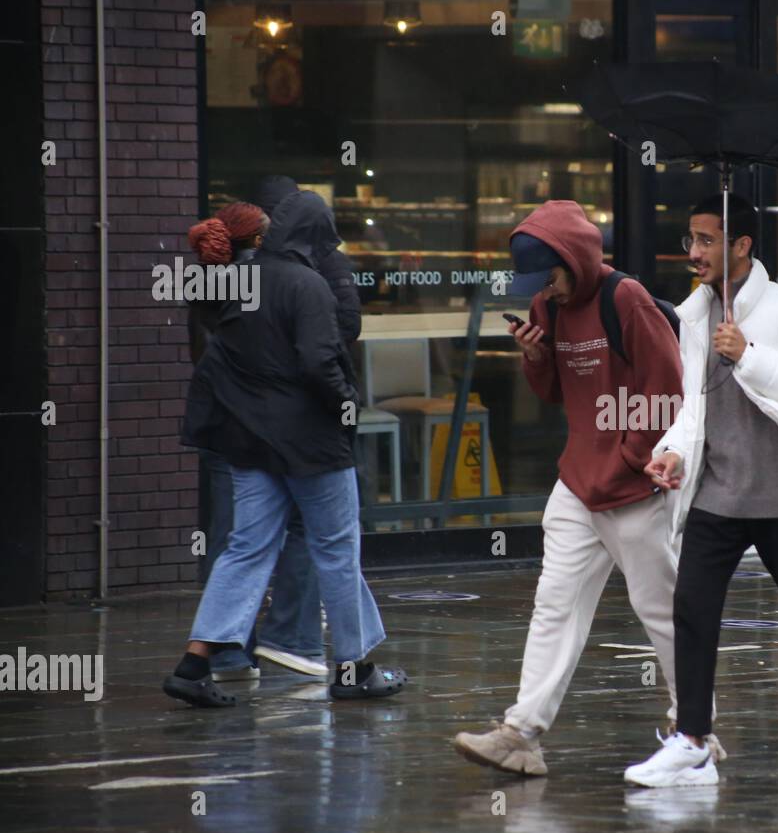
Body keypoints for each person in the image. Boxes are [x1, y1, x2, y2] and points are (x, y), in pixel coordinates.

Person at [453, 200, 723, 776]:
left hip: (636, 483)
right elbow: (555, 392)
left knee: (662, 610)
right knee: (555, 604)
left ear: (573, 259)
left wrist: (632, 456)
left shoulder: (624, 299)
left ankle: (694, 730)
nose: (544, 292)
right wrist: (535, 357)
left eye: (549, 277)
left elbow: (666, 388)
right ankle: (521, 733)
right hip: (578, 480)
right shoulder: (543, 306)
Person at [624, 194, 778, 787]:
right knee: (691, 610)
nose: (694, 252)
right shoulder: (695, 316)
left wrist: (751, 355)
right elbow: (696, 408)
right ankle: (692, 741)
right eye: (690, 239)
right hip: (718, 495)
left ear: (742, 245)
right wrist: (673, 451)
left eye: (706, 240)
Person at [165, 190, 405, 707]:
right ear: (316, 236)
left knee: (245, 549)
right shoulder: (308, 284)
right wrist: (348, 407)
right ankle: (354, 669)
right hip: (311, 444)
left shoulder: (232, 280)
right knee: (337, 549)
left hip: (249, 442)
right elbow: (321, 361)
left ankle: (193, 665)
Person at [187, 202, 328, 682]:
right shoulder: (259, 285)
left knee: (234, 538)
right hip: (252, 425)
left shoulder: (210, 280)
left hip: (225, 424)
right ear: (260, 242)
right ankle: (265, 645)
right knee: (259, 536)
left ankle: (228, 650)